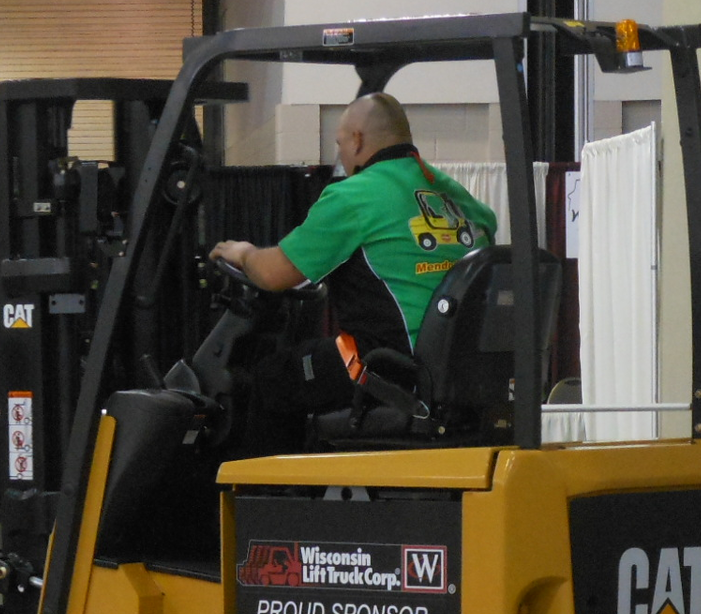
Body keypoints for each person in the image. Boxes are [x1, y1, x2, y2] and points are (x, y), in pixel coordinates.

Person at [209, 92, 498, 415]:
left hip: (394, 370)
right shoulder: (457, 196)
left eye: (340, 144)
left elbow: (274, 274)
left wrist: (245, 253)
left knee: (271, 378)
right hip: (466, 371)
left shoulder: (353, 197)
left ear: (357, 140)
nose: (341, 156)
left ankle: (253, 466)